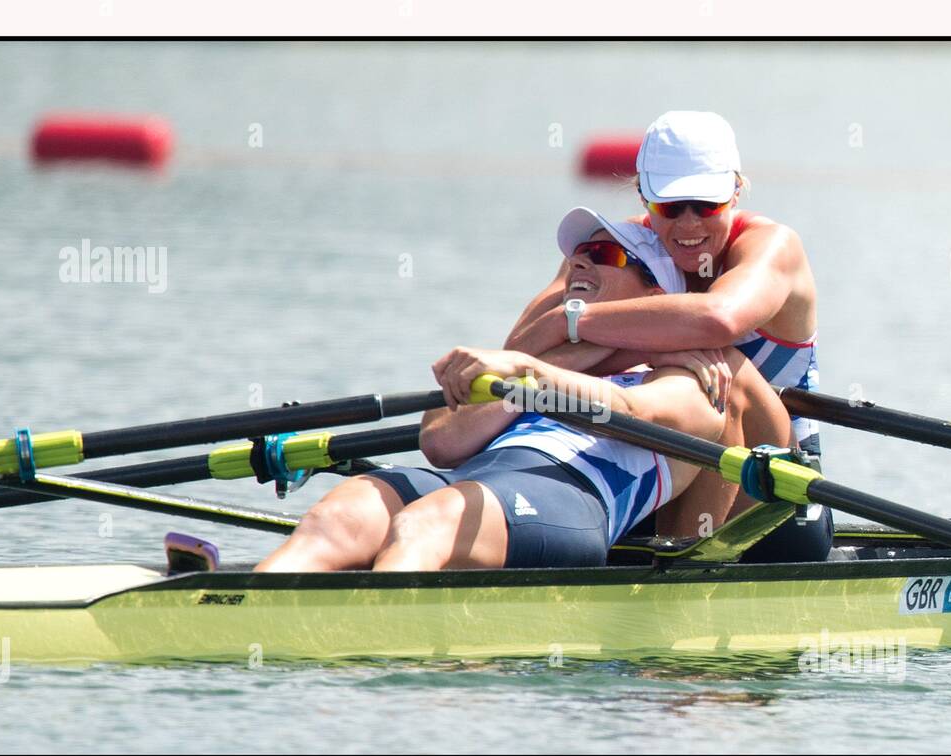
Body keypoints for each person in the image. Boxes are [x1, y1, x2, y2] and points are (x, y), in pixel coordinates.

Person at [256, 215, 793, 573]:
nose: (579, 263)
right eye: (578, 254)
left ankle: (371, 637)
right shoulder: (545, 364)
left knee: (424, 522)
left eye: (605, 254)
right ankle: (242, 605)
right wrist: (551, 359)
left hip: (572, 500)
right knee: (342, 512)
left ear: (657, 290)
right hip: (468, 478)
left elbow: (632, 412)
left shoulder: (693, 376)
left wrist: (528, 367)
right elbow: (440, 442)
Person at [503, 111, 830, 562]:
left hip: (776, 500)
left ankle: (684, 572)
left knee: (722, 368)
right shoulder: (618, 246)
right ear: (643, 194)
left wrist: (576, 324)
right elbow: (513, 355)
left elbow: (718, 319)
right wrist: (576, 327)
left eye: (707, 205)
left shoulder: (770, 246)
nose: (689, 225)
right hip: (658, 476)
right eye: (671, 207)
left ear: (736, 189)